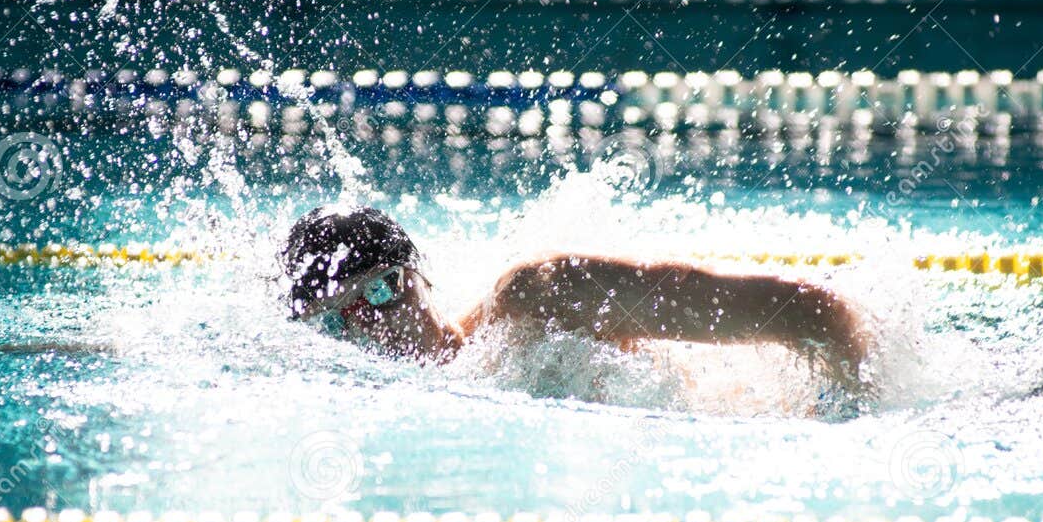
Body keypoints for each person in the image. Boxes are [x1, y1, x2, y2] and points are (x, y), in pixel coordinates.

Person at [281, 206, 871, 396]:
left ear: (419, 277)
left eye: (381, 293)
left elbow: (810, 312)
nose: (371, 331)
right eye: (337, 321)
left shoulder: (537, 299)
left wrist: (844, 417)